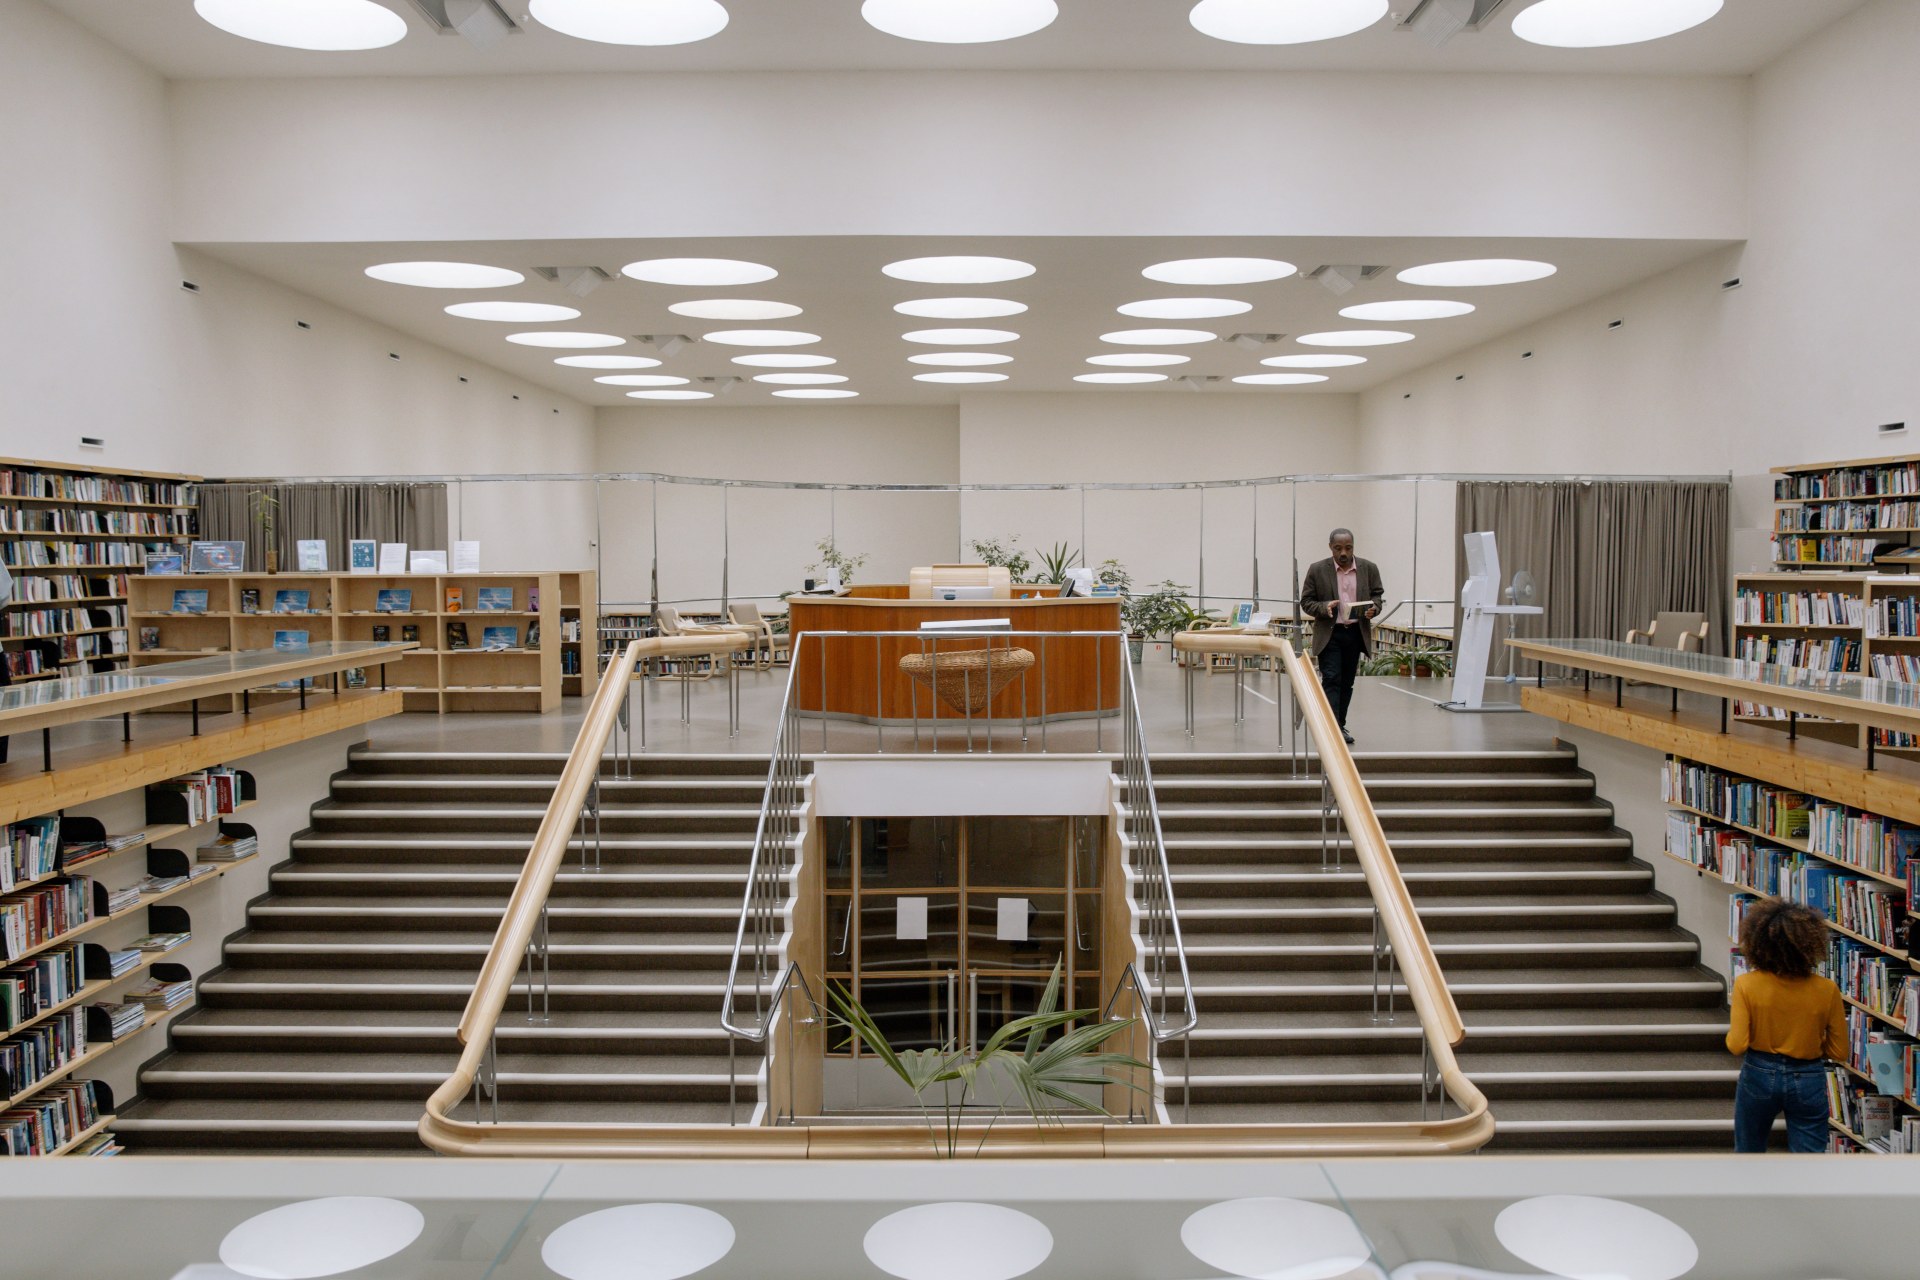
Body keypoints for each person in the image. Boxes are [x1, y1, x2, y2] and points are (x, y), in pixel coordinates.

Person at [1726, 898, 1846, 1153]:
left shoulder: (1747, 984)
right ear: (1810, 945)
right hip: (1808, 1075)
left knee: (1748, 1153)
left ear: (1758, 942)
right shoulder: (1827, 990)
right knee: (1808, 1161)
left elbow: (1737, 1045)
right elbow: (1840, 1052)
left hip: (1759, 1071)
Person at [1299, 527, 1384, 744]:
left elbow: (1377, 596)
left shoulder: (1369, 568)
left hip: (1355, 633)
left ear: (1353, 546)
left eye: (1348, 548)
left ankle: (1340, 725)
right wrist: (1324, 607)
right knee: (1332, 679)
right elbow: (1306, 602)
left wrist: (1374, 608)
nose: (1343, 553)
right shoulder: (1317, 569)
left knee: (1347, 682)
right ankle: (1332, 727)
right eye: (1338, 548)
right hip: (1330, 633)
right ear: (1330, 547)